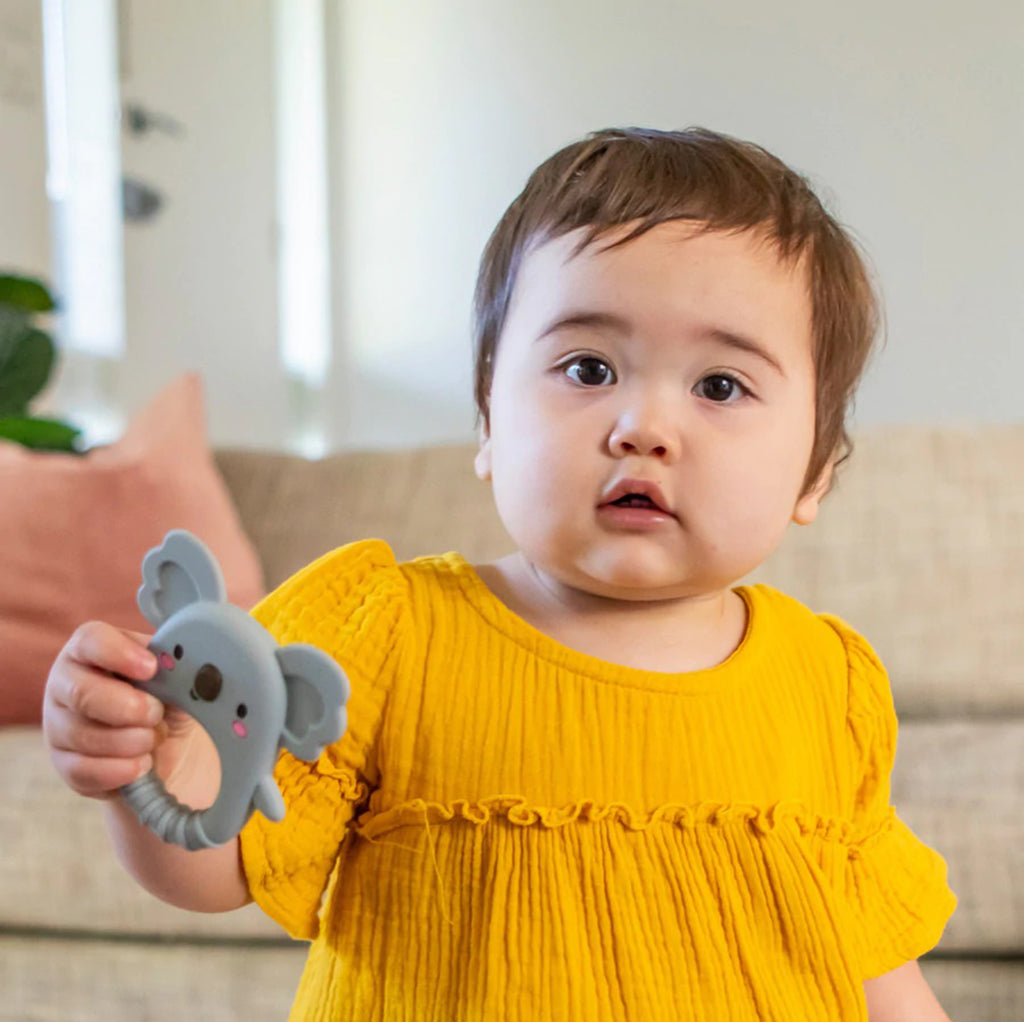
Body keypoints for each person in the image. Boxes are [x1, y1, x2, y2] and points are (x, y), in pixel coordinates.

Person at [43, 127, 957, 1021]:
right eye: (587, 367)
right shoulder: (385, 630)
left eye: (720, 386)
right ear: (488, 424)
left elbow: (873, 961)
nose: (642, 425)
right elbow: (219, 869)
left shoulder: (828, 683)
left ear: (817, 470)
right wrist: (152, 762)